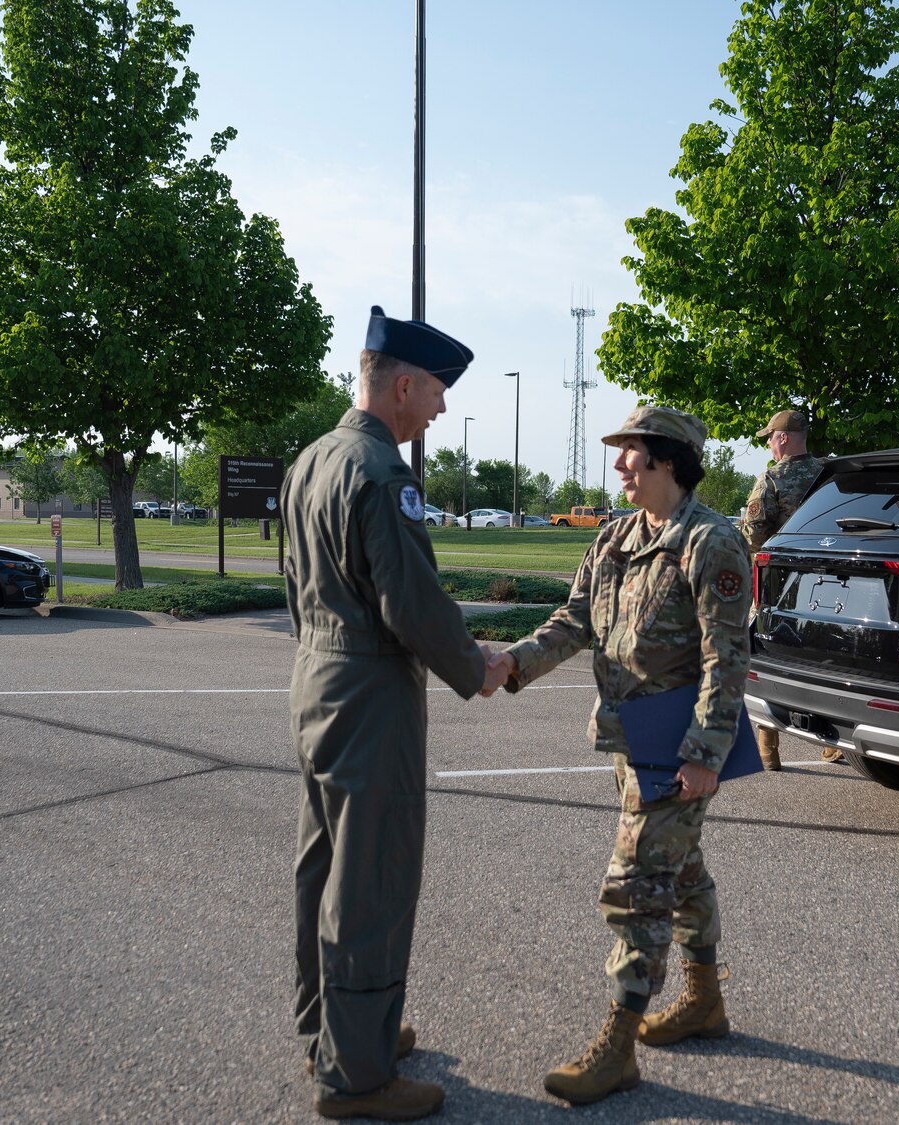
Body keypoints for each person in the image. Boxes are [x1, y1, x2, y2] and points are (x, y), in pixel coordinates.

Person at [282, 305, 513, 1121]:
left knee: (324, 864)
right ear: (404, 384)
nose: (442, 410)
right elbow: (411, 604)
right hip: (372, 689)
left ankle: (332, 1030)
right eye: (439, 392)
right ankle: (358, 1077)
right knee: (370, 876)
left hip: (315, 675)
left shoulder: (313, 458)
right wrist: (473, 666)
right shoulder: (383, 474)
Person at [493, 405, 752, 1106]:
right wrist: (512, 662)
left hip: (678, 747)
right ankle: (703, 998)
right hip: (629, 740)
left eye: (630, 454)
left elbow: (726, 660)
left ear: (666, 459)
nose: (618, 467)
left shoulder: (712, 542)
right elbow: (574, 619)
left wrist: (703, 756)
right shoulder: (613, 537)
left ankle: (619, 1040)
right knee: (681, 867)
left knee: (638, 881)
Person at [734, 408, 831, 766]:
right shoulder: (830, 475)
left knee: (764, 655)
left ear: (783, 438)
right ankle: (835, 741)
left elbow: (755, 536)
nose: (770, 445)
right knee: (824, 657)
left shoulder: (772, 479)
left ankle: (768, 748)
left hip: (779, 584)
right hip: (829, 584)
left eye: (770, 438)